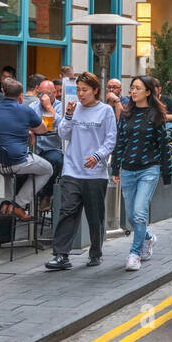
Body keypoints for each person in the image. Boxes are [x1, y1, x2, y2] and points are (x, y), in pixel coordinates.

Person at [46, 72, 117, 271]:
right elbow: (63, 134)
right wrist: (68, 115)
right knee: (67, 211)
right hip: (72, 169)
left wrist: (98, 156)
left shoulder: (105, 111)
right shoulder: (73, 110)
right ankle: (61, 255)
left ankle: (95, 252)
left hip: (95, 173)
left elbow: (111, 139)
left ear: (95, 90)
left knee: (95, 216)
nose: (80, 94)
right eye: (78, 89)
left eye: (84, 90)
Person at [110, 75, 171, 272]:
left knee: (139, 212)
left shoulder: (156, 116)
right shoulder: (126, 114)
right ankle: (147, 237)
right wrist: (115, 167)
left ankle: (134, 253)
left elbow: (164, 147)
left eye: (137, 88)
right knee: (131, 217)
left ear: (148, 92)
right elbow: (120, 142)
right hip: (128, 169)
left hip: (149, 169)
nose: (133, 91)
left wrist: (167, 173)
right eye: (132, 88)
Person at [0, 78, 52, 221]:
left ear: (3, 91)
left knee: (6, 168)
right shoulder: (25, 110)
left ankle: (5, 204)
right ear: (21, 96)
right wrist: (27, 127)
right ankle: (19, 204)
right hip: (13, 161)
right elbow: (42, 129)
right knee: (47, 169)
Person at [27, 77, 63, 207]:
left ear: (55, 93)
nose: (44, 97)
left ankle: (46, 194)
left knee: (56, 160)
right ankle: (23, 201)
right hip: (35, 148)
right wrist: (29, 131)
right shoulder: (33, 106)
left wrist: (48, 107)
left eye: (48, 94)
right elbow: (26, 123)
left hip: (52, 148)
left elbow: (62, 125)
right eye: (42, 93)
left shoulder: (60, 106)